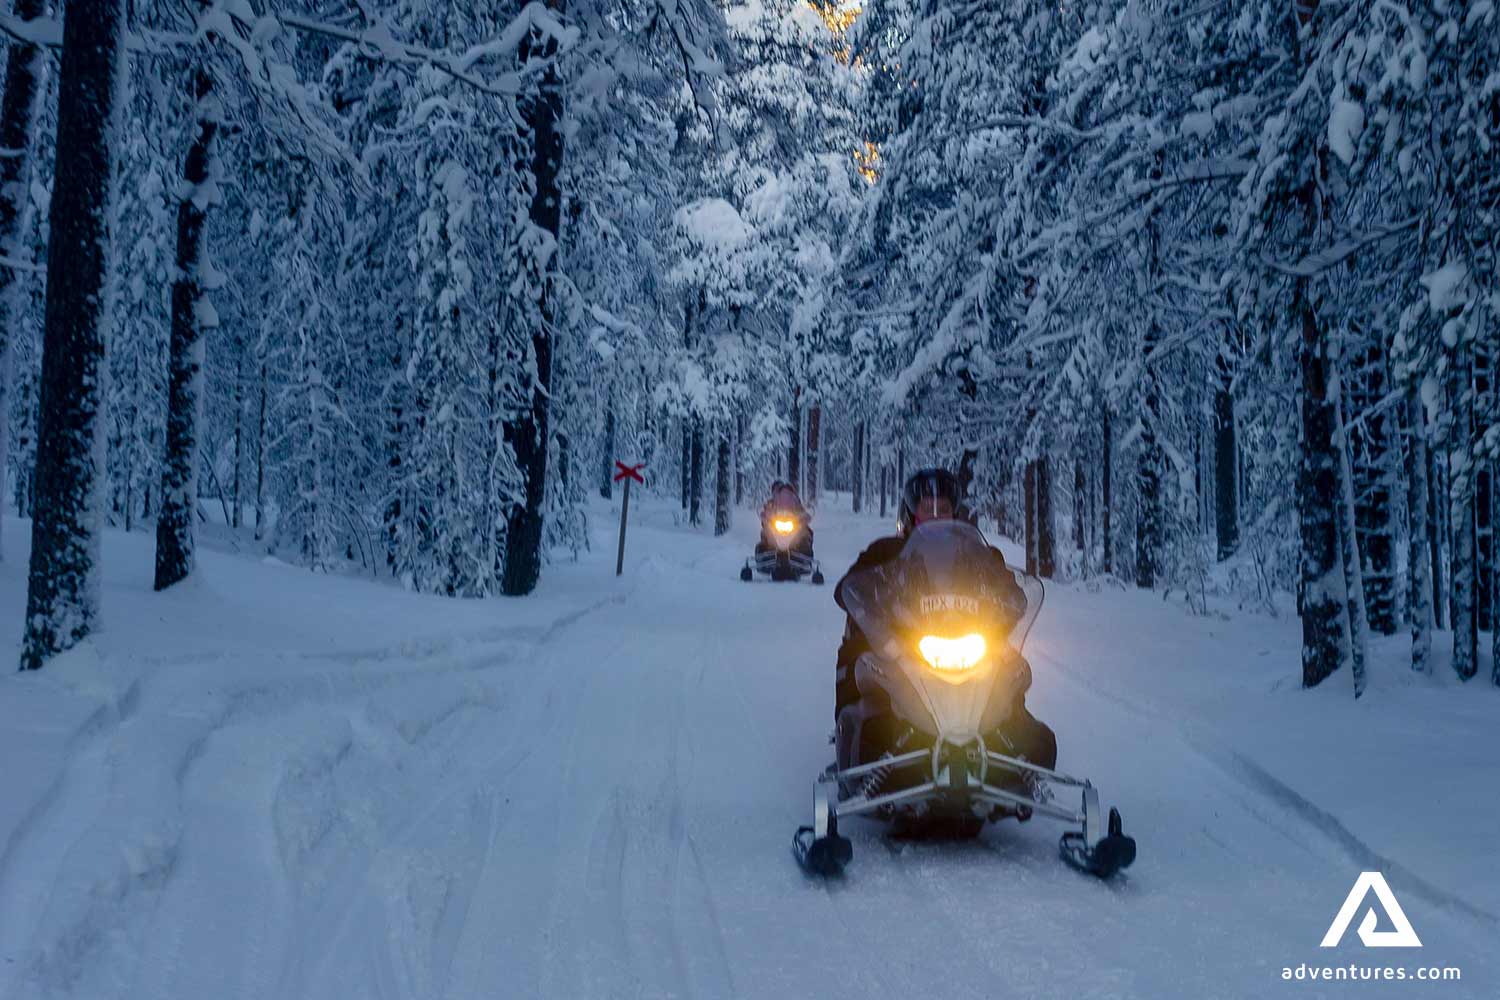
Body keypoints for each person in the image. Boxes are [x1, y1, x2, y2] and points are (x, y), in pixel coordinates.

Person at [832, 467, 1057, 782]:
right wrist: (877, 595)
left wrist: (1007, 599)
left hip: (969, 638)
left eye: (944, 507)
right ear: (912, 513)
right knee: (857, 656)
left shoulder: (977, 553)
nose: (937, 513)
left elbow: (1010, 591)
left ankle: (1016, 760)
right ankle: (855, 749)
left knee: (1010, 673)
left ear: (955, 511)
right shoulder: (886, 551)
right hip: (906, 641)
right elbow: (849, 589)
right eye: (928, 507)